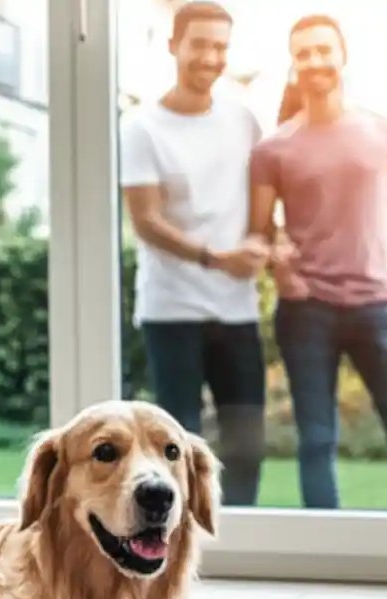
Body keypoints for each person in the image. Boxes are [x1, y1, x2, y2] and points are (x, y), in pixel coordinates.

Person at [247, 14, 387, 509]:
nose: (314, 61)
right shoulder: (274, 148)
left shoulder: (385, 133)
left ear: (343, 56)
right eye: (303, 53)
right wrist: (279, 262)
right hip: (306, 309)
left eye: (322, 50)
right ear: (293, 64)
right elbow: (258, 230)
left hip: (378, 304)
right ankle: (328, 543)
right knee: (316, 439)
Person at [118, 1, 269, 506]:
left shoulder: (244, 120)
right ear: (174, 47)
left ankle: (240, 538)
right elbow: (146, 220)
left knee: (246, 443)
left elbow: (262, 203)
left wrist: (265, 243)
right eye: (199, 44)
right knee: (174, 445)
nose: (210, 56)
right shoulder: (143, 128)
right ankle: (176, 550)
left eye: (220, 46)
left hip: (236, 307)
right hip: (172, 308)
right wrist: (215, 258)